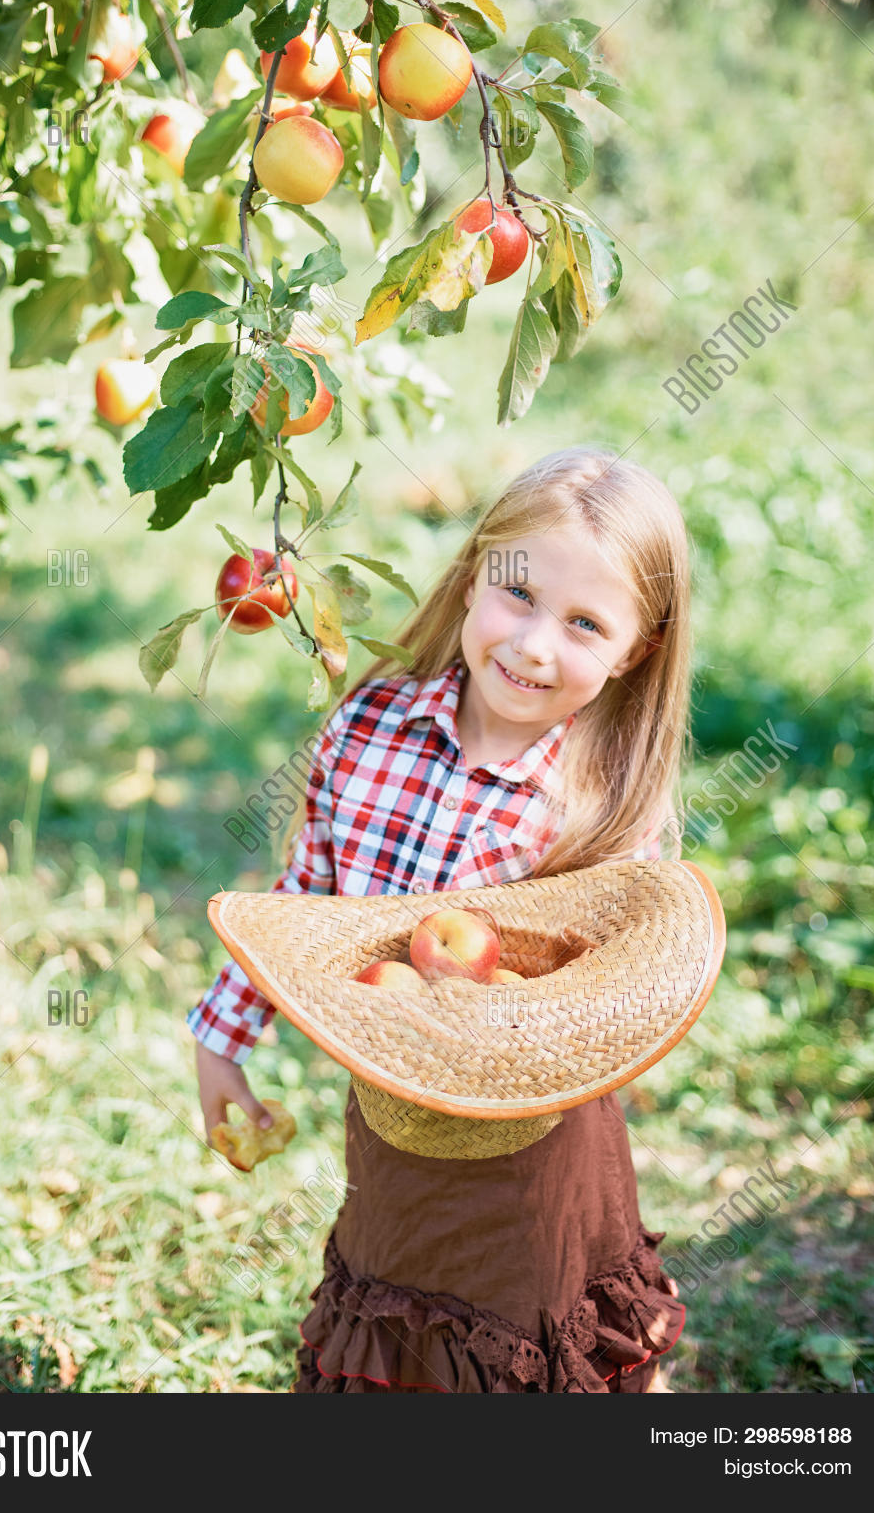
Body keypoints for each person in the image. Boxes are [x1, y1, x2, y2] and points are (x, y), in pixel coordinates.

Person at [189, 445, 692, 1393]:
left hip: (536, 1152)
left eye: (585, 624)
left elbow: (619, 989)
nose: (533, 645)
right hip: (392, 1118)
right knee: (402, 1325)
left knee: (532, 1347)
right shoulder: (368, 729)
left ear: (636, 650)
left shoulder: (602, 804)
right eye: (518, 595)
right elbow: (303, 902)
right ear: (471, 578)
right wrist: (222, 1038)